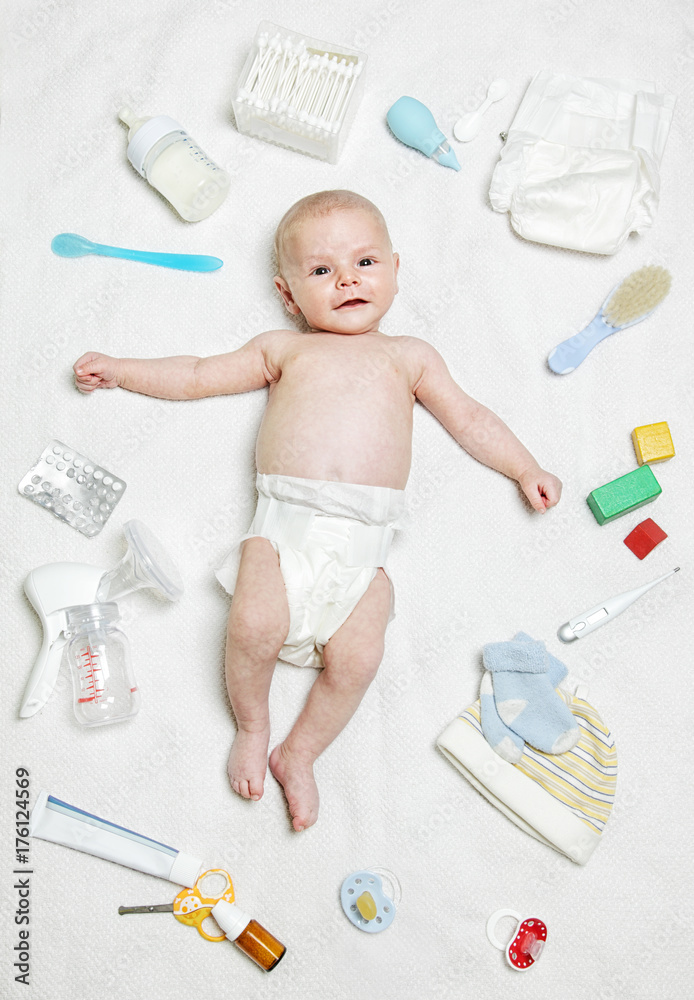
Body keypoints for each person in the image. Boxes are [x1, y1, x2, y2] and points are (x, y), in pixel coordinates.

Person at [73, 189, 562, 832]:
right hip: (285, 530)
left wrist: (525, 467)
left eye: (364, 262)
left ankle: (300, 752)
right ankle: (253, 726)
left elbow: (469, 417)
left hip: (365, 547)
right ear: (288, 293)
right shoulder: (286, 349)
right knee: (251, 626)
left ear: (394, 267)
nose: (348, 280)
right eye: (322, 270)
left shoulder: (409, 356)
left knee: (359, 659)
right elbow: (195, 374)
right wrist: (122, 369)